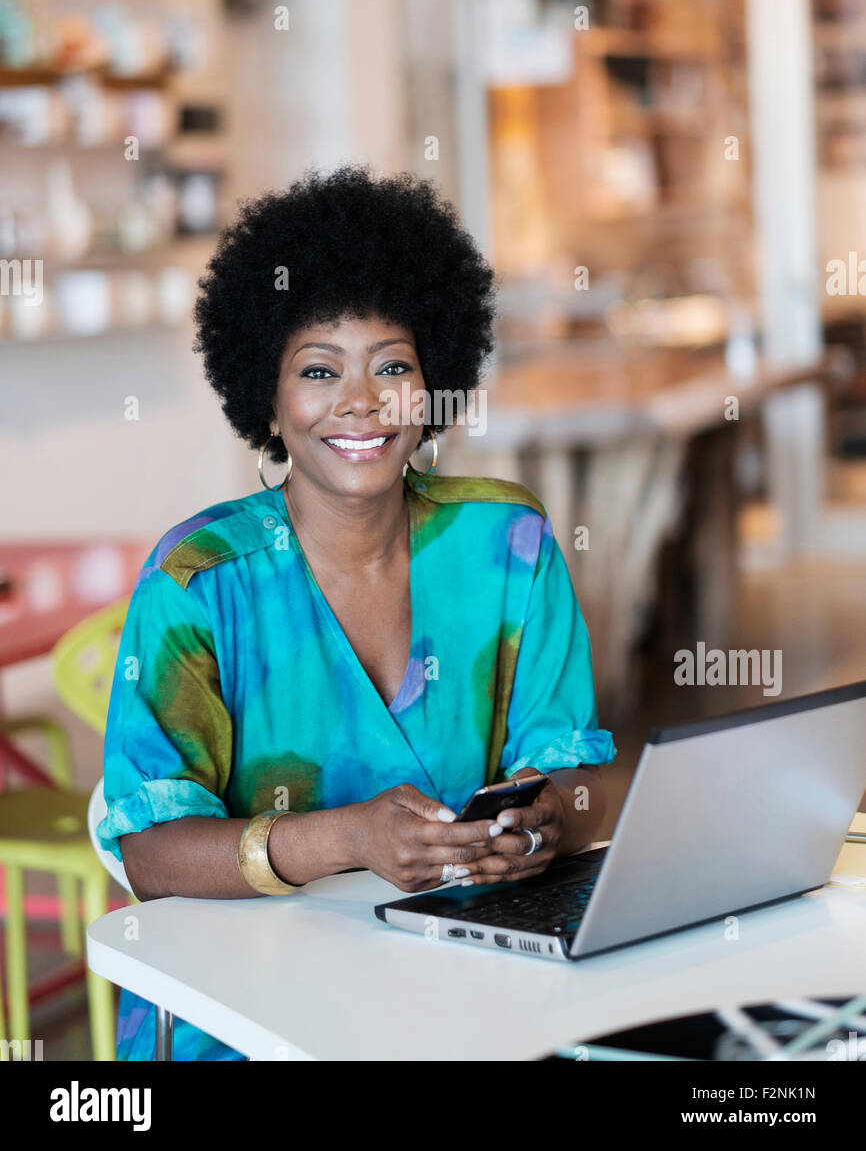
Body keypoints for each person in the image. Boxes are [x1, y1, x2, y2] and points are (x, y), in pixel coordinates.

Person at [97, 165, 616, 1060]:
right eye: (318, 370)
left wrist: (540, 827)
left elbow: (574, 773)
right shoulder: (197, 581)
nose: (360, 403)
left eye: (393, 367)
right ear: (266, 394)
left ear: (432, 386)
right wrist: (347, 837)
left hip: (468, 984)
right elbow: (150, 852)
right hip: (247, 1010)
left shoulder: (510, 544)